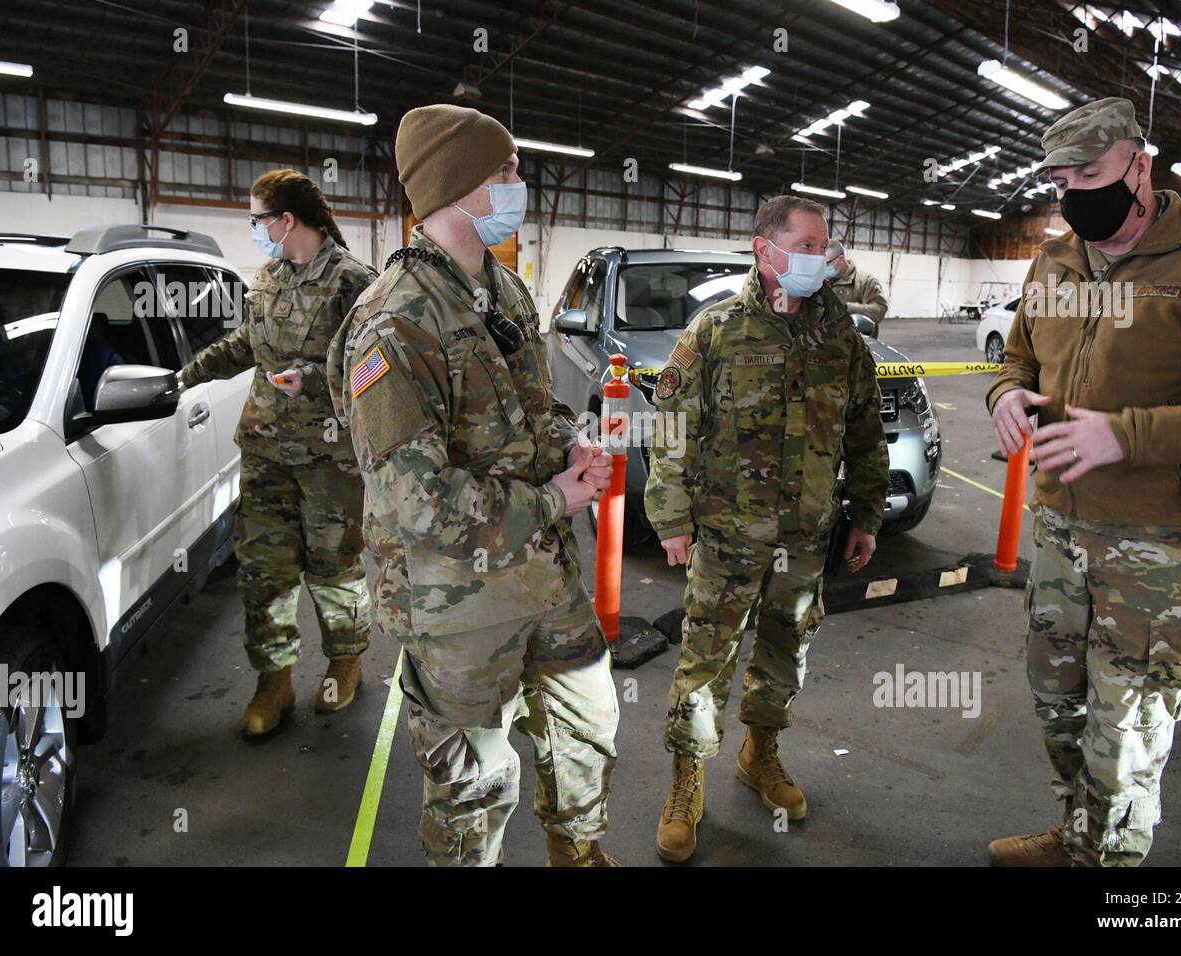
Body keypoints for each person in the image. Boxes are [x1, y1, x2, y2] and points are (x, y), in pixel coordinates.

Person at [986, 97, 1181, 866]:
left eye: (1091, 171)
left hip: (1164, 546)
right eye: (1061, 179)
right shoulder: (1054, 262)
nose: (1076, 191)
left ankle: (1111, 868)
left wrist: (1125, 435)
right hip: (1060, 530)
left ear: (1140, 166)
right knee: (1059, 709)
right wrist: (1006, 395)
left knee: (1127, 734)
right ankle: (1076, 836)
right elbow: (1017, 359)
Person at [327, 104, 620, 867]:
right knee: (475, 787)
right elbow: (414, 501)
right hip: (453, 599)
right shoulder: (392, 323)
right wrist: (559, 499)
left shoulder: (505, 292)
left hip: (541, 572)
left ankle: (577, 855)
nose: (519, 184)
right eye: (505, 171)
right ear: (458, 187)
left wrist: (570, 445)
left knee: (587, 731)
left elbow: (534, 411)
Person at [644, 195, 890, 863]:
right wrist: (670, 516)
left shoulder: (841, 339)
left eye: (824, 245)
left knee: (786, 653)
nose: (820, 257)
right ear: (765, 249)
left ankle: (761, 754)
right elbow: (671, 430)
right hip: (727, 537)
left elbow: (866, 435)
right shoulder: (716, 331)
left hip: (806, 538)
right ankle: (686, 780)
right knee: (705, 663)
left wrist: (867, 514)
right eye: (806, 245)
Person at [179, 169, 376, 736]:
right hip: (265, 447)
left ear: (286, 220)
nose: (254, 229)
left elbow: (378, 365)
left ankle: (345, 662)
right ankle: (274, 680)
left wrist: (315, 380)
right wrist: (188, 375)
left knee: (333, 567)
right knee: (265, 569)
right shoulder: (269, 277)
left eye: (257, 218)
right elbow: (247, 343)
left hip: (328, 457)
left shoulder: (353, 282)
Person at [825, 239, 888, 323]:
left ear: (840, 259)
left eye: (827, 263)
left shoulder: (866, 281)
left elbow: (879, 310)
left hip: (856, 335)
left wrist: (850, 308)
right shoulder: (822, 281)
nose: (824, 267)